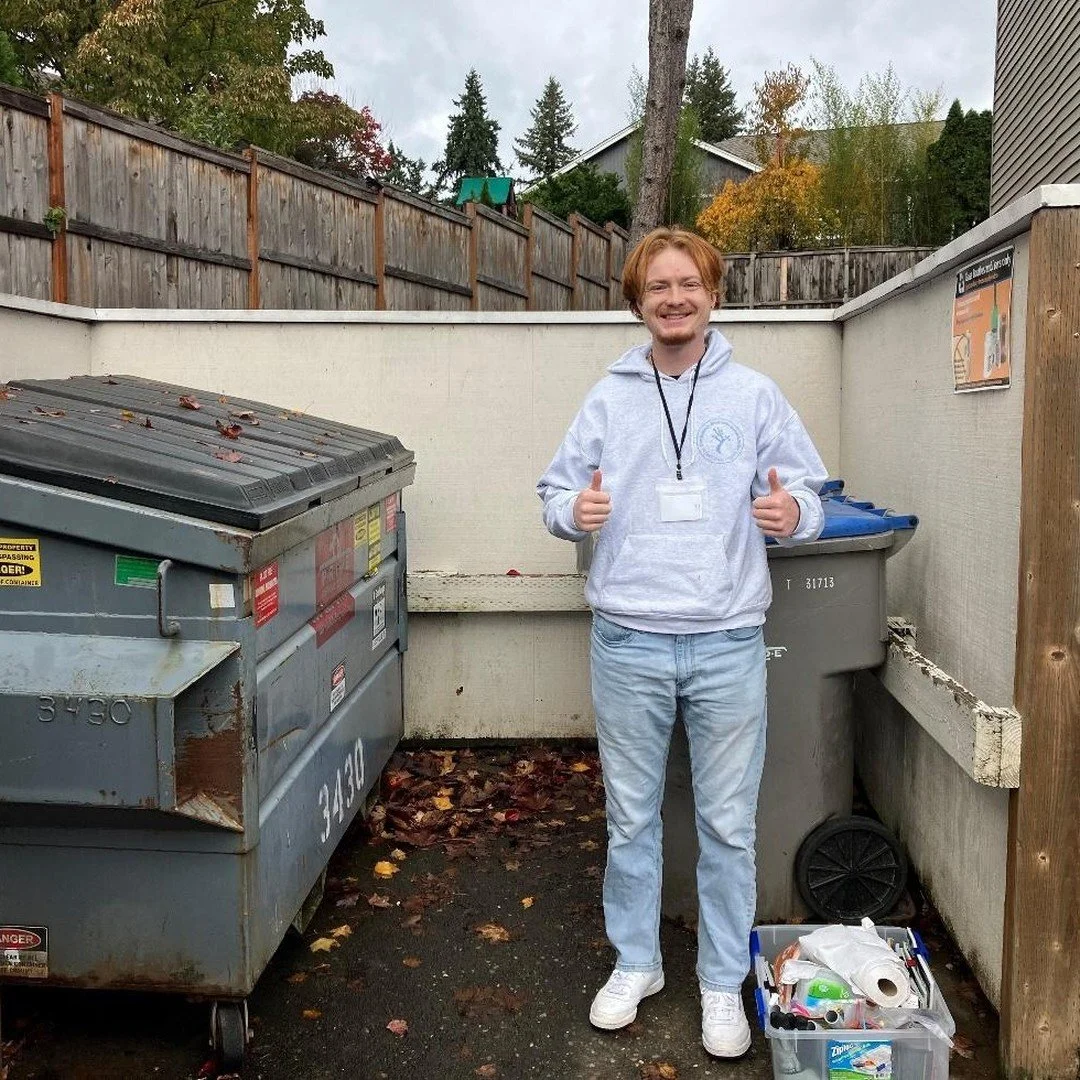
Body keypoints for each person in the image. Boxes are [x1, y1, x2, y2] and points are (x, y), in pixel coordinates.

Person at [536, 228, 827, 1058]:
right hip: (627, 638)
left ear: (713, 294)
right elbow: (555, 490)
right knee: (630, 819)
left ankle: (717, 985)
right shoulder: (607, 397)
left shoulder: (756, 395)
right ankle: (637, 963)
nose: (673, 298)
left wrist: (793, 515)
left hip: (728, 640)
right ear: (637, 302)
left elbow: (807, 486)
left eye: (687, 283)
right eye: (657, 286)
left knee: (728, 827)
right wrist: (571, 515)